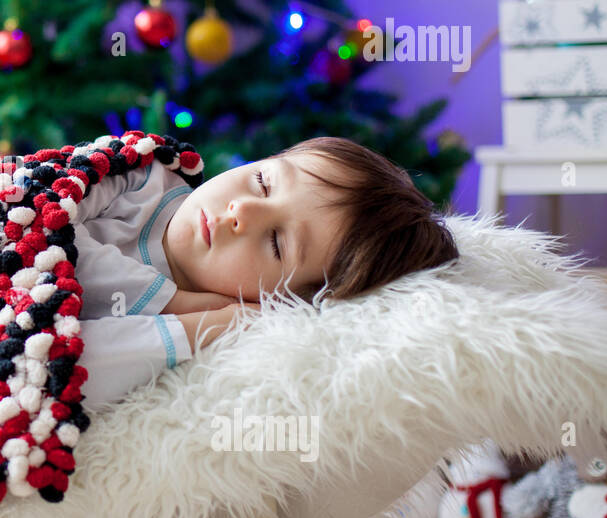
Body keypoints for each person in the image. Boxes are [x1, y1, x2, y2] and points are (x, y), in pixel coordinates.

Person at [76, 136, 459, 406]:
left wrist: (213, 323)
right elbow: (53, 238)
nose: (242, 211)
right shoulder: (140, 175)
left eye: (276, 242)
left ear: (282, 302)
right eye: (263, 182)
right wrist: (174, 302)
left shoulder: (213, 346)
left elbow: (68, 369)